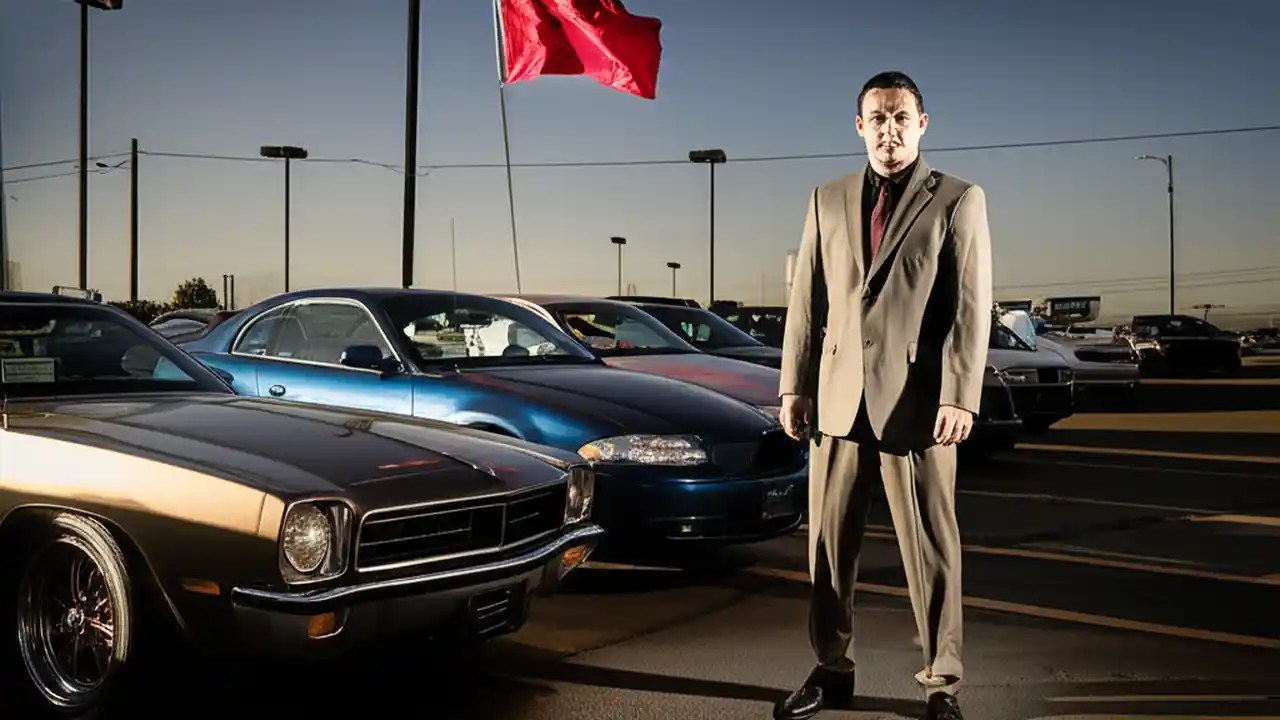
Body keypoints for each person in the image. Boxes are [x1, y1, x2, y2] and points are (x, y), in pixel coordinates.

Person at [772, 70, 992, 720]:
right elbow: (807, 302)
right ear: (859, 126)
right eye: (877, 118)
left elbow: (969, 307)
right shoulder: (825, 199)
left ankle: (943, 684)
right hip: (838, 404)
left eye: (901, 118)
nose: (888, 130)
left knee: (932, 549)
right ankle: (831, 668)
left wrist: (961, 395)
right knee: (829, 549)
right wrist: (794, 386)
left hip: (919, 406)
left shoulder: (957, 199)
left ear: (923, 124)